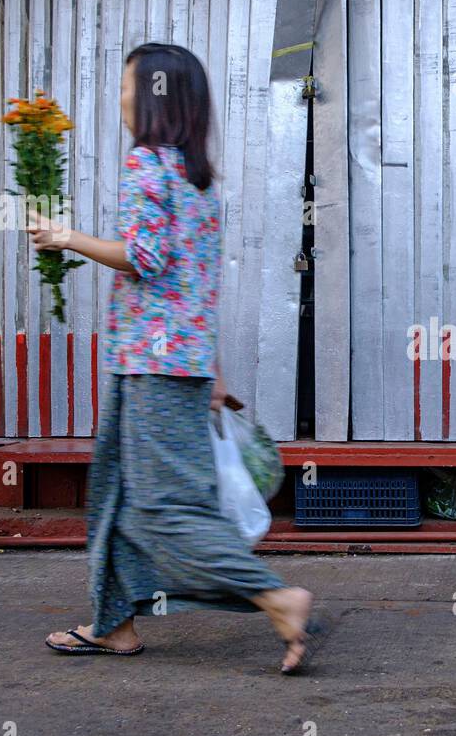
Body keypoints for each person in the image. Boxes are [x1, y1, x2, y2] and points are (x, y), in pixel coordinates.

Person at [28, 42, 321, 674]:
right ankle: (114, 625)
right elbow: (195, 285)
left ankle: (275, 596)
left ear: (156, 96)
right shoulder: (198, 182)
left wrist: (63, 236)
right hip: (171, 363)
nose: (122, 97)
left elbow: (146, 258)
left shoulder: (146, 165)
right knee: (116, 494)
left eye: (128, 86)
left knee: (165, 506)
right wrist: (210, 371)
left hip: (152, 367)